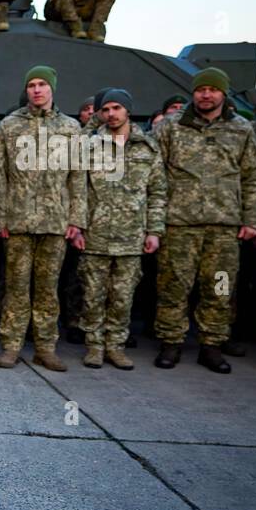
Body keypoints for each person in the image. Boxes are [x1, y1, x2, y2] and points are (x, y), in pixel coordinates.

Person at [152, 68, 256, 373]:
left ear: (223, 93)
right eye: (201, 89)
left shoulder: (241, 130)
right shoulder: (171, 127)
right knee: (174, 285)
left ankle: (212, 345)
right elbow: (154, 175)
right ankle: (171, 342)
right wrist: (156, 220)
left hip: (224, 225)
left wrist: (254, 221)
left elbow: (253, 177)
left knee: (219, 287)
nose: (206, 95)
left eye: (213, 90)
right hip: (179, 223)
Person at [0, 65, 87, 370]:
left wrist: (76, 219)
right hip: (18, 222)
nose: (36, 89)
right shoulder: (10, 125)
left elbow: (77, 176)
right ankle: (11, 345)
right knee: (16, 287)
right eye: (31, 84)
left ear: (52, 89)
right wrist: (0, 218)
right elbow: (0, 176)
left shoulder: (70, 127)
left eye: (42, 84)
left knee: (48, 289)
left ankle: (46, 347)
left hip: (55, 221)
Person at [78, 89, 166, 369]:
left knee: (123, 297)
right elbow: (79, 188)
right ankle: (94, 346)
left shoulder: (147, 147)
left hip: (131, 235)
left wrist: (154, 231)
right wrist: (78, 227)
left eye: (116, 108)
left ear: (128, 110)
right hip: (96, 234)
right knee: (93, 295)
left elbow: (158, 191)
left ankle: (115, 345)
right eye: (105, 110)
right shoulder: (91, 145)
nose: (111, 114)